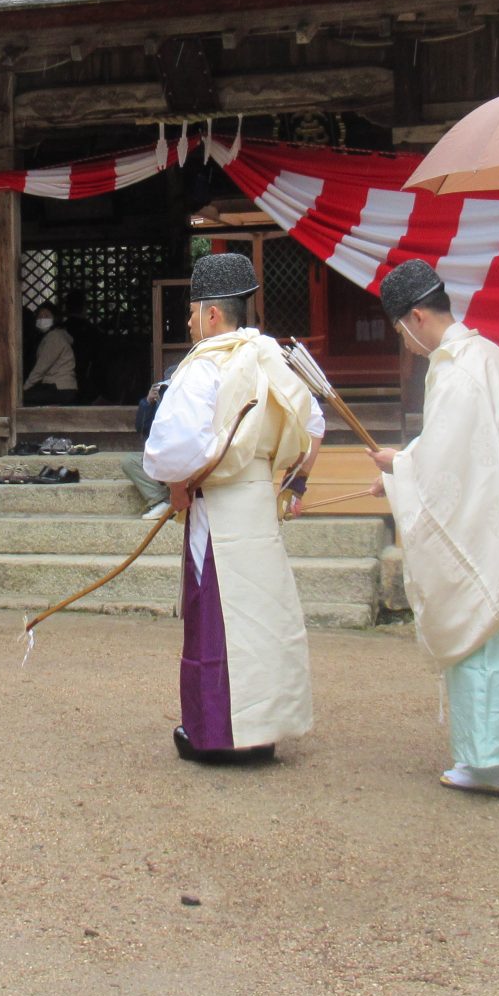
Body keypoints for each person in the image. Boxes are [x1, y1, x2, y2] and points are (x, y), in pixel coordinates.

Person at [365, 261, 499, 796]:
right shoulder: (482, 354)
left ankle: (491, 761)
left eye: (401, 330)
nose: (404, 342)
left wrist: (404, 472)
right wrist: (403, 466)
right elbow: (451, 441)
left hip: (496, 503)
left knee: (483, 618)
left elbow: (454, 456)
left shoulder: (457, 368)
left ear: (417, 317)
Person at [142, 252, 324, 765]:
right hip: (257, 502)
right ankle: (262, 731)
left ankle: (216, 734)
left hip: (217, 505)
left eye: (193, 312)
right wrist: (286, 481)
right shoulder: (271, 359)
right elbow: (313, 428)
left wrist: (179, 482)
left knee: (217, 615)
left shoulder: (207, 365)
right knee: (262, 616)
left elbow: (170, 450)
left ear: (212, 315)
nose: (190, 322)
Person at [121, 376, 172, 520]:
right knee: (130, 461)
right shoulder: (161, 402)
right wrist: (148, 403)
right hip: (162, 458)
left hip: (185, 459)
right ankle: (162, 501)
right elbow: (142, 429)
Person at [23, 302, 78, 405]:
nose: (42, 319)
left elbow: (41, 367)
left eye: (46, 316)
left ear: (55, 318)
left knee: (23, 399)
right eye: (39, 316)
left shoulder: (54, 337)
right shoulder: (54, 336)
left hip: (59, 387)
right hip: (62, 387)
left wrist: (24, 388)